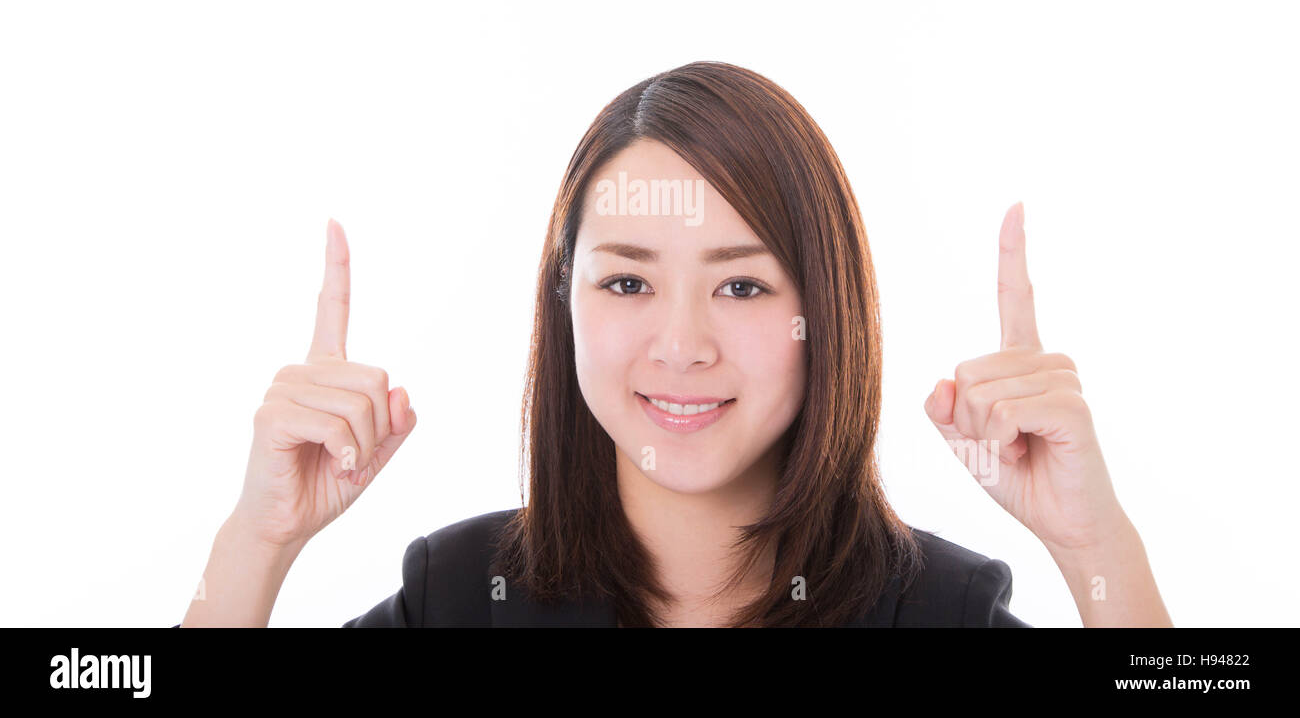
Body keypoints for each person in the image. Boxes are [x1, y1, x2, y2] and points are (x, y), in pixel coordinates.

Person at [180, 62, 1172, 628]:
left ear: (824, 313)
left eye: (741, 284)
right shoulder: (464, 596)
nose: (682, 342)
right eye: (627, 281)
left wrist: (1098, 545)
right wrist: (253, 543)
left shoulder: (934, 611)